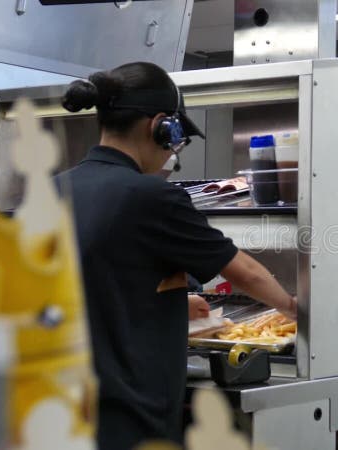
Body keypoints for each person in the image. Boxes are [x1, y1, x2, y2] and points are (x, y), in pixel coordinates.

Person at [56, 62, 296, 450]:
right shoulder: (152, 196)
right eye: (177, 136)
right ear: (161, 126)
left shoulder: (52, 191)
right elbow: (246, 273)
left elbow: (95, 282)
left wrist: (174, 304)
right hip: (127, 419)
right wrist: (294, 309)